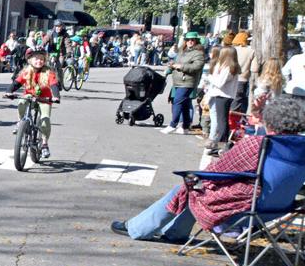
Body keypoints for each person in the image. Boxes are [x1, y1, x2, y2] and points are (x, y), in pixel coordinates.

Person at [112, 93, 305, 243]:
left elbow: (219, 170)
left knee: (192, 185)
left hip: (244, 208)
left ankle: (136, 229)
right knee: (197, 187)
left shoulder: (259, 144)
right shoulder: (299, 147)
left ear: (269, 119)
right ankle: (174, 233)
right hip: (278, 209)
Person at [4, 49, 61, 159]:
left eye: (41, 59)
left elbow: (54, 85)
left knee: (45, 120)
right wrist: (8, 92)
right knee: (21, 102)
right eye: (36, 59)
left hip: (45, 98)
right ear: (30, 60)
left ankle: (44, 144)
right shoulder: (26, 71)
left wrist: (55, 97)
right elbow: (16, 83)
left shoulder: (49, 72)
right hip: (30, 96)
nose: (39, 61)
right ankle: (21, 122)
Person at [160, 32, 206, 135]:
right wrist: (170, 67)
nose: (190, 41)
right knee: (185, 104)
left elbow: (196, 67)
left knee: (177, 101)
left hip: (188, 81)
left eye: (193, 40)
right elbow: (176, 62)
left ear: (196, 41)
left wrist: (181, 66)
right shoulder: (182, 51)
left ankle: (173, 125)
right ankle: (185, 126)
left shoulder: (198, 53)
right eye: (188, 40)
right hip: (178, 81)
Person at [202, 47, 240, 154]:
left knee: (221, 121)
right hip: (221, 95)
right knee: (220, 120)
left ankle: (222, 144)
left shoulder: (228, 68)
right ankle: (219, 143)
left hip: (223, 96)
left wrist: (209, 77)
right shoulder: (225, 66)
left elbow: (219, 83)